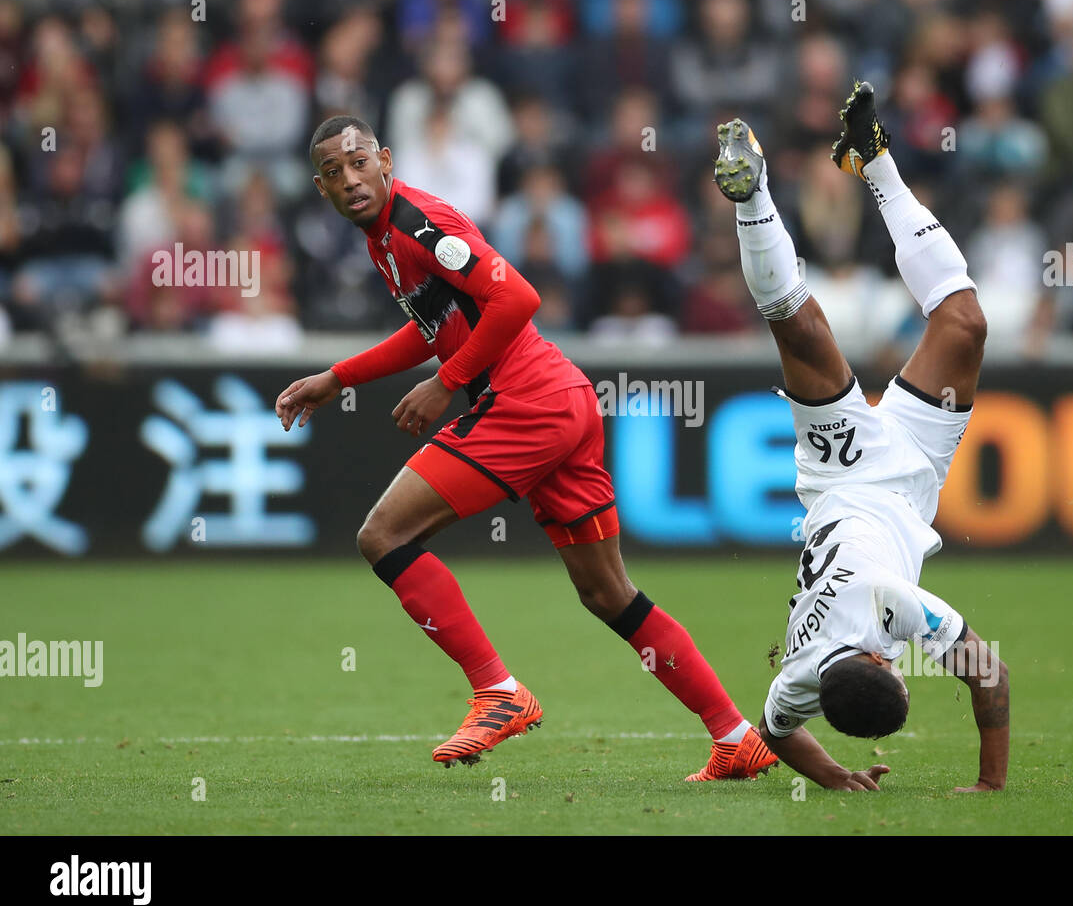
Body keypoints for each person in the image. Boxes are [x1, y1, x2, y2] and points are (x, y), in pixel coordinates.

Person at [274, 116, 777, 781]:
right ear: (322, 189)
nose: (350, 179)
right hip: (561, 401)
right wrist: (337, 378)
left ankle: (497, 691)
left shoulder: (417, 223)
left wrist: (445, 384)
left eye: (359, 162)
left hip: (525, 404)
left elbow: (518, 296)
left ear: (386, 160)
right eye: (335, 174)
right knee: (608, 595)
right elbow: (435, 327)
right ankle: (736, 735)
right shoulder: (385, 239)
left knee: (383, 535)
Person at [714, 83, 1009, 791]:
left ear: (882, 664)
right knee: (964, 323)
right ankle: (870, 161)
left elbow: (990, 678)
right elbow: (775, 731)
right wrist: (836, 777)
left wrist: (991, 787)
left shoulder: (891, 604)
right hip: (912, 477)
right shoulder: (795, 679)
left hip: (842, 476)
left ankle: (752, 197)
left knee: (801, 328)